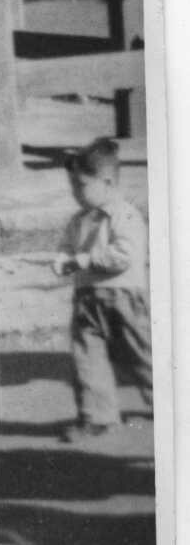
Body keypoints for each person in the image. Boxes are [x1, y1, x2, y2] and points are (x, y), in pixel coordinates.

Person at [52, 137, 153, 443]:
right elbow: (68, 245)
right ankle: (97, 416)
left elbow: (124, 255)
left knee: (141, 356)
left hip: (123, 298)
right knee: (87, 356)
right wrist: (62, 258)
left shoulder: (125, 216)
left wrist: (85, 259)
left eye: (81, 185)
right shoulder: (78, 220)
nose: (75, 193)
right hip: (87, 298)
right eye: (72, 186)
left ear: (107, 182)